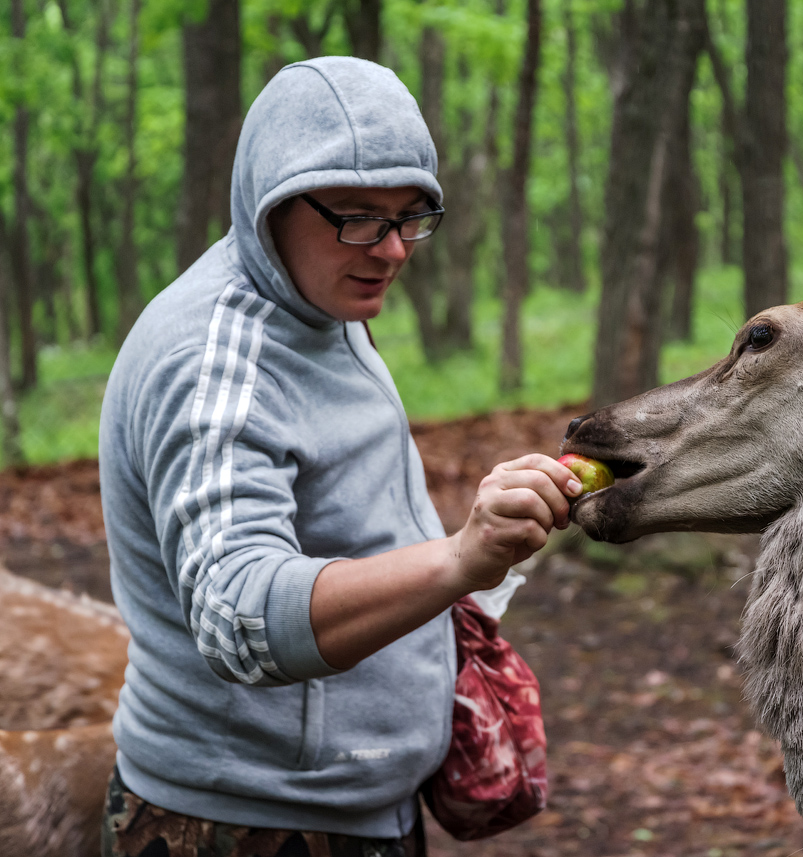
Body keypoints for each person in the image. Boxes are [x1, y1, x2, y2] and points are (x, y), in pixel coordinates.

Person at [98, 56, 581, 857]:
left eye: (409, 217)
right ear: (270, 204)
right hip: (241, 826)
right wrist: (462, 557)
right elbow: (240, 617)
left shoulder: (319, 304)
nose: (391, 250)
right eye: (358, 217)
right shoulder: (218, 362)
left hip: (342, 809)